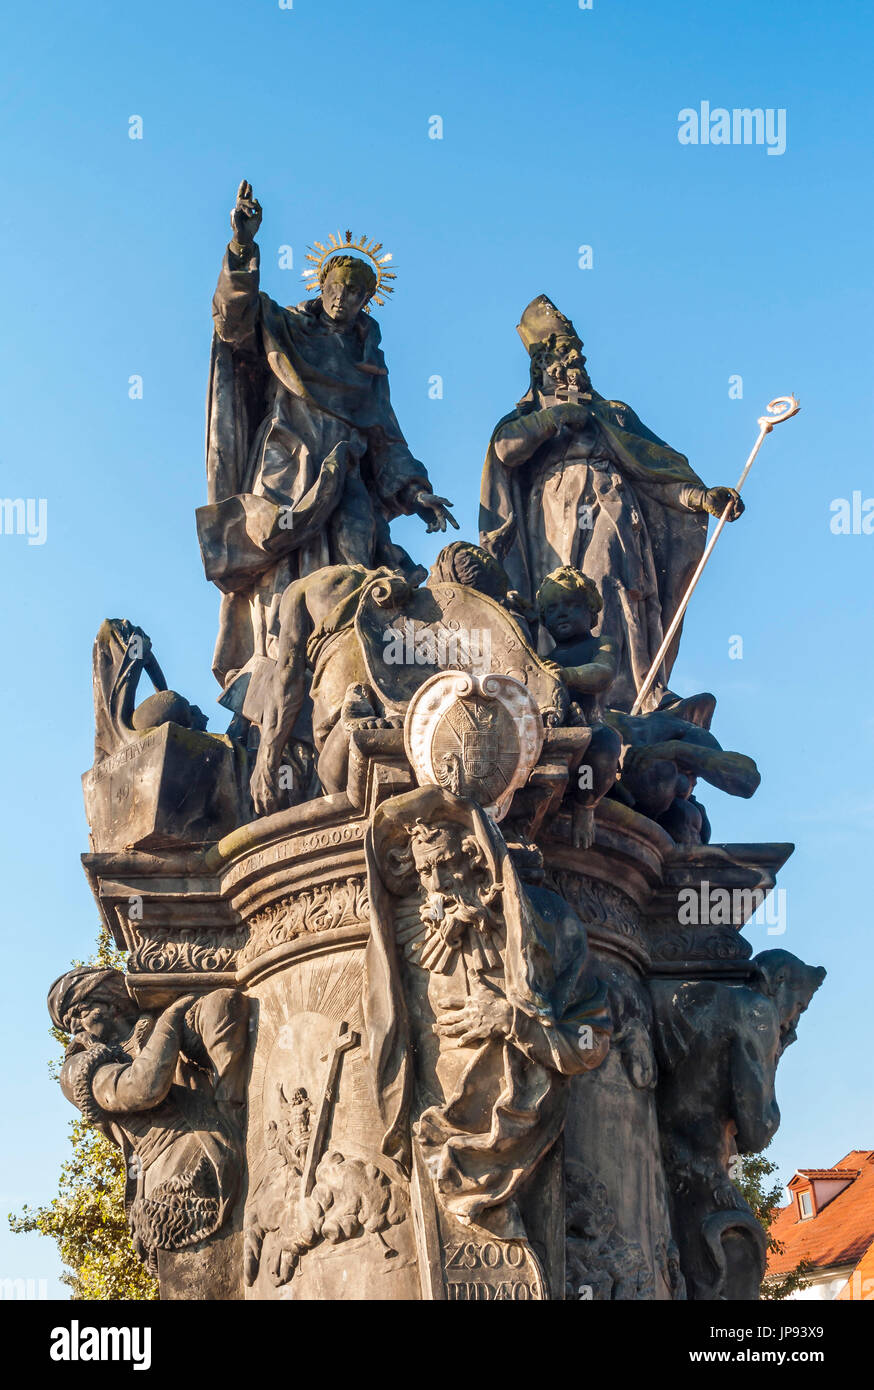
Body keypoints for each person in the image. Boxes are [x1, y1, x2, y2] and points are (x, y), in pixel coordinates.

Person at [199, 181, 457, 705]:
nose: (343, 298)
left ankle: (347, 671)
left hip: (346, 471)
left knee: (358, 563)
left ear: (366, 300)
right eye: (337, 287)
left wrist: (415, 491)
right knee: (282, 567)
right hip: (287, 465)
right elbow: (232, 320)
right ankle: (279, 675)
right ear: (322, 284)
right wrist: (243, 248)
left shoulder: (367, 362)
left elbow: (385, 434)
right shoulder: (286, 327)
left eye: (355, 293)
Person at [480, 295, 743, 710]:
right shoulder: (524, 419)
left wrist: (700, 497)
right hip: (552, 518)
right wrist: (552, 418)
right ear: (540, 365)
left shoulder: (614, 414)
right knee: (556, 593)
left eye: (576, 351)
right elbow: (506, 451)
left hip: (615, 509)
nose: (575, 359)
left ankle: (630, 694)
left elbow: (655, 472)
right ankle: (557, 691)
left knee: (612, 585)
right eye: (563, 351)